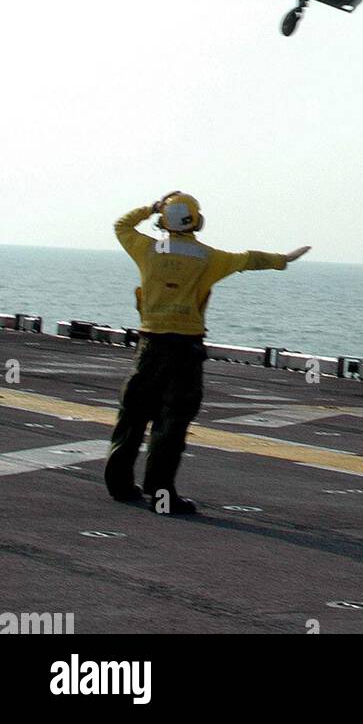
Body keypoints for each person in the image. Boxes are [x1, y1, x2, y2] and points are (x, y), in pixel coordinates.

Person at [105, 190, 310, 515]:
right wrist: (282, 260)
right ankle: (161, 495)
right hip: (186, 349)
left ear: (163, 219)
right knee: (171, 423)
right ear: (197, 222)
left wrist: (150, 207)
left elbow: (121, 226)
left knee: (133, 413)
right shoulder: (209, 258)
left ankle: (118, 485)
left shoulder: (147, 249)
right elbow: (249, 259)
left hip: (150, 344)